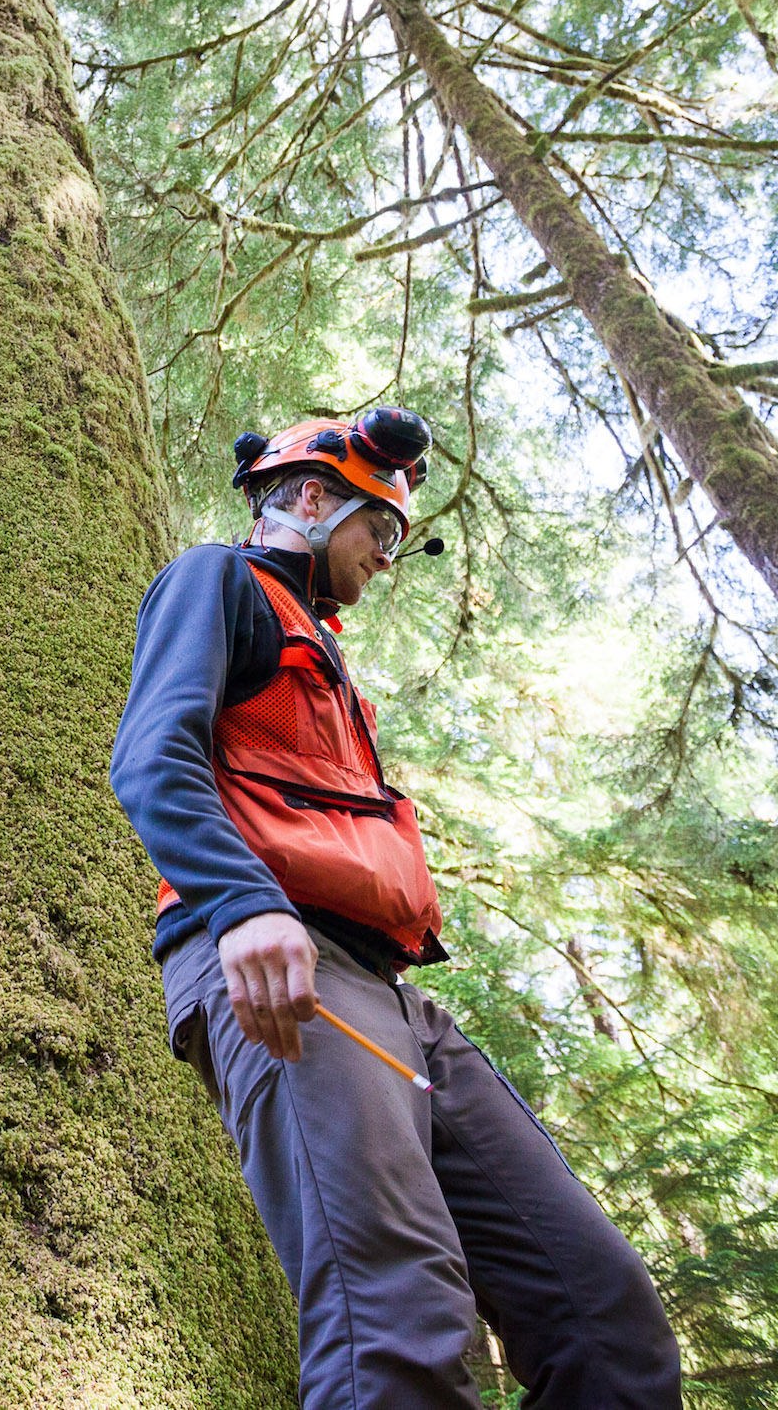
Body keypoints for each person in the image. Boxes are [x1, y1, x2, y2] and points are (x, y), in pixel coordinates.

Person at [110, 409, 681, 1410]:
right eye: (381, 528)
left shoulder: (323, 651)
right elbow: (151, 755)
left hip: (391, 997)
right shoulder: (219, 582)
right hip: (281, 972)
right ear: (316, 496)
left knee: (600, 1310)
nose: (387, 556)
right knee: (397, 1317)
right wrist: (241, 904)